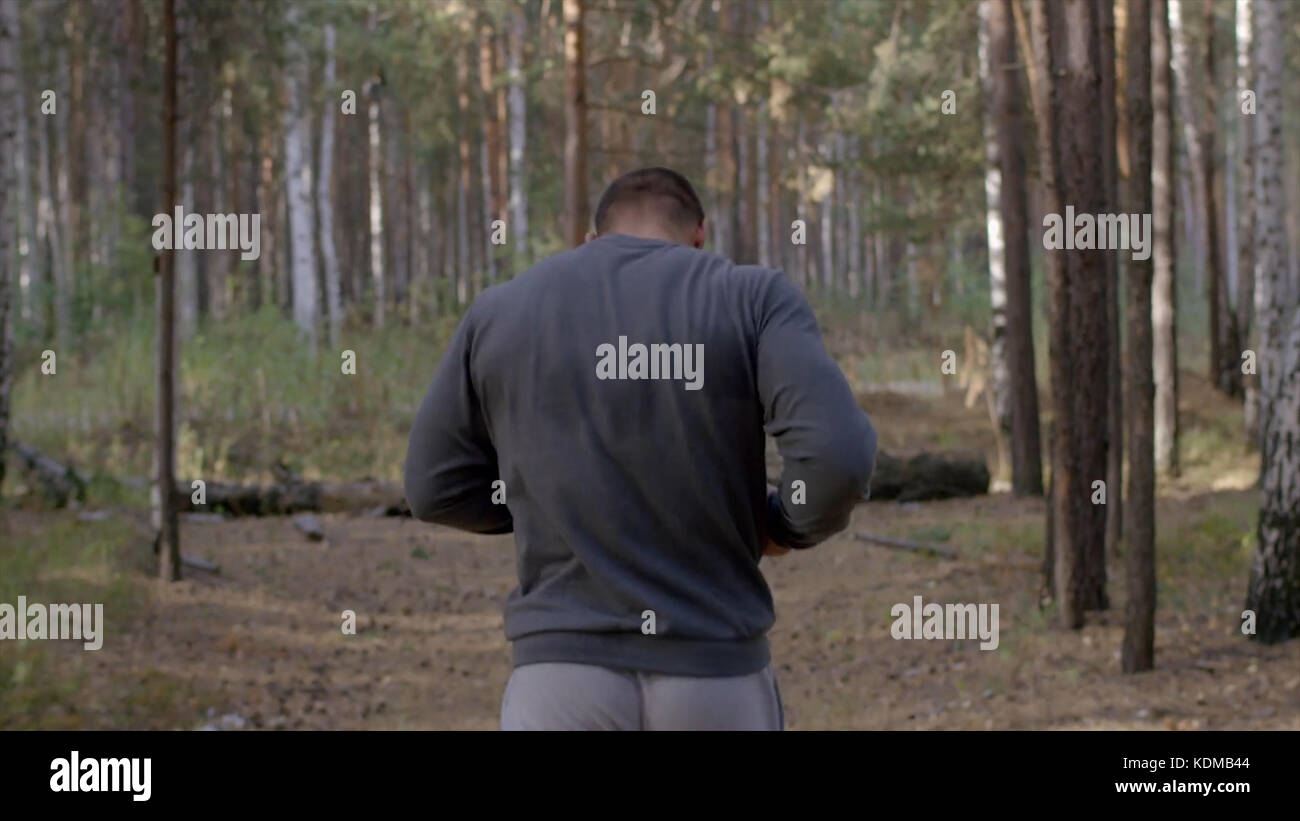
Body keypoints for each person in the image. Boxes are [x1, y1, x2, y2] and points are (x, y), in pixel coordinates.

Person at [404, 167, 876, 730]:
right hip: (714, 673)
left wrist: (552, 505)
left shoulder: (501, 310)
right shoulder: (752, 296)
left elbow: (432, 486)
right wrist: (780, 524)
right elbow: (837, 459)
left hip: (559, 679)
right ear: (701, 234)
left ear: (592, 239)